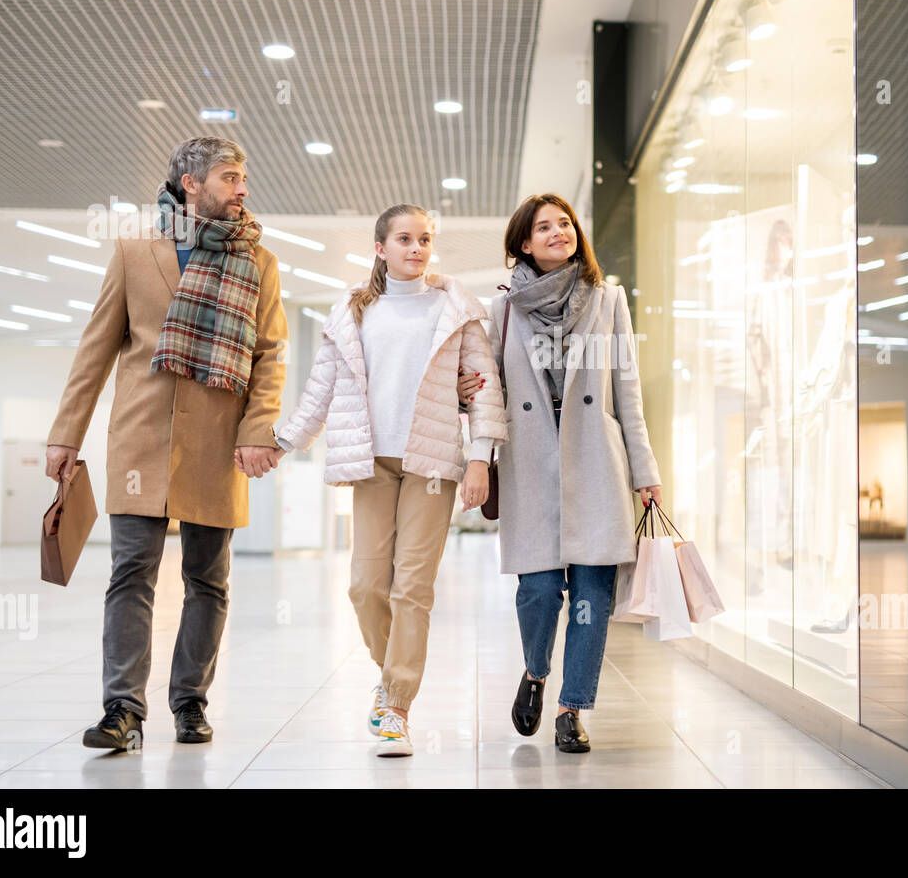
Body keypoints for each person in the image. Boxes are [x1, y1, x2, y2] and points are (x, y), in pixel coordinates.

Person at [45, 136, 287, 750]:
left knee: (208, 578)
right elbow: (94, 352)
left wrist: (260, 430)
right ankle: (122, 710)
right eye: (230, 176)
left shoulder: (258, 262)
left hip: (217, 441)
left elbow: (269, 355)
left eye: (243, 176)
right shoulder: (134, 253)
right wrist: (65, 436)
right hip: (140, 439)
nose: (242, 188)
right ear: (191, 183)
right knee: (131, 572)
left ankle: (190, 702)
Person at [273, 203, 507, 757]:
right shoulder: (352, 311)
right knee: (364, 586)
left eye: (425, 239)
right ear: (380, 248)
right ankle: (393, 673)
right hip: (371, 463)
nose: (416, 248)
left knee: (412, 588)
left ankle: (396, 706)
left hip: (431, 464)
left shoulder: (456, 310)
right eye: (404, 239)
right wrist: (281, 441)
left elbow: (484, 392)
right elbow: (320, 389)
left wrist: (479, 458)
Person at [488, 192, 661, 753]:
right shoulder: (504, 309)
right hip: (532, 462)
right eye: (544, 227)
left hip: (596, 459)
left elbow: (627, 393)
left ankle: (571, 709)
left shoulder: (608, 299)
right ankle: (536, 672)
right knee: (538, 590)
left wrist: (645, 471)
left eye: (565, 223)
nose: (558, 232)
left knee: (592, 596)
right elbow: (490, 390)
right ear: (524, 243)